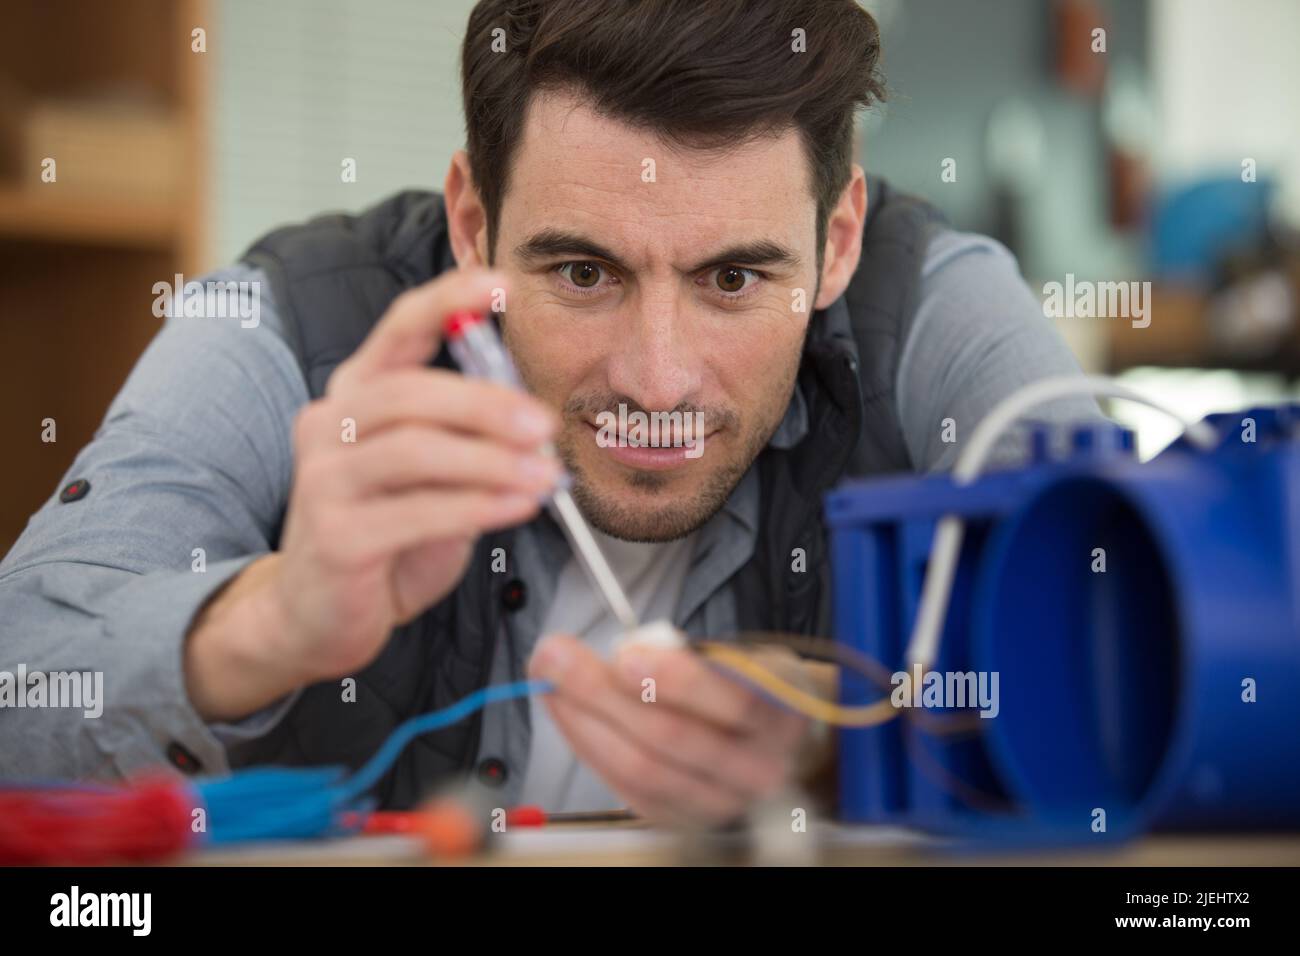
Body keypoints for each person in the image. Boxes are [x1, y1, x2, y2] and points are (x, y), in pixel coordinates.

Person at [0, 0, 1096, 824]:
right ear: (472, 220)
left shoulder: (934, 302)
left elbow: (1162, 626)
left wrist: (845, 753)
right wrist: (269, 621)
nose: (657, 381)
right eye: (581, 271)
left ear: (839, 239)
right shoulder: (283, 317)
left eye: (732, 280)